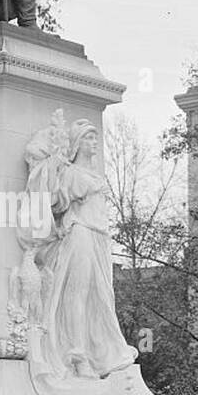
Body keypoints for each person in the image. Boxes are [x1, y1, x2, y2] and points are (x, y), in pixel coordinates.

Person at [36, 119, 138, 380]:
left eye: (95, 137)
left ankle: (101, 352)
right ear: (77, 143)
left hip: (99, 236)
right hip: (80, 232)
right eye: (88, 138)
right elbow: (56, 204)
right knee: (77, 293)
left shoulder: (94, 175)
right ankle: (77, 354)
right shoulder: (71, 174)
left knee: (102, 297)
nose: (94, 142)